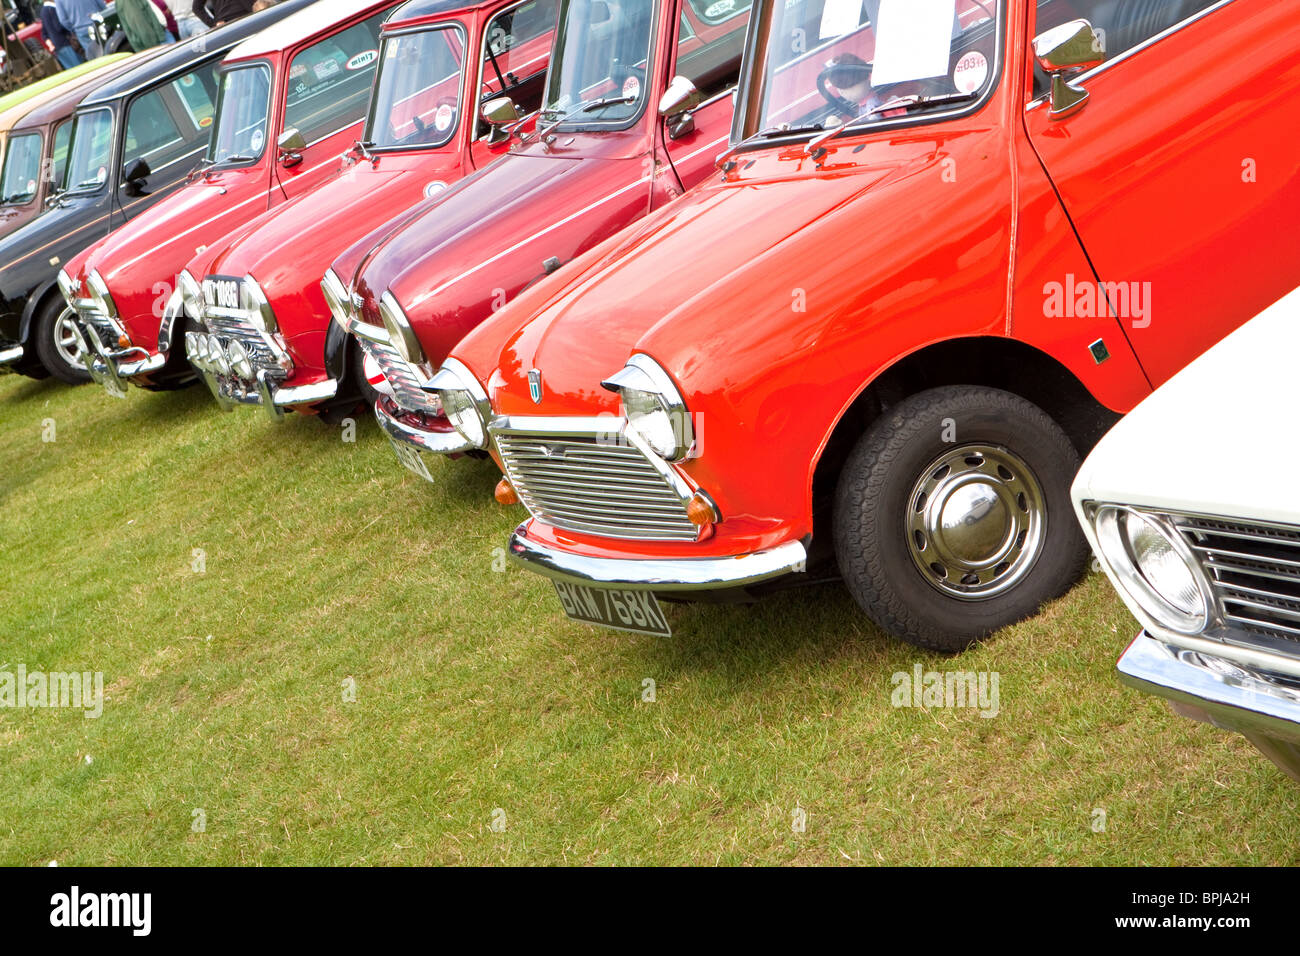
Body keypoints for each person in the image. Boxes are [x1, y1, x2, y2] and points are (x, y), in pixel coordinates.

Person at [40, 0, 83, 67]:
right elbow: (59, 27)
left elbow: (44, 33)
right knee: (79, 66)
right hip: (65, 42)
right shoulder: (53, 9)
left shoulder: (43, 11)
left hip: (57, 46)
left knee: (71, 69)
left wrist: (50, 44)